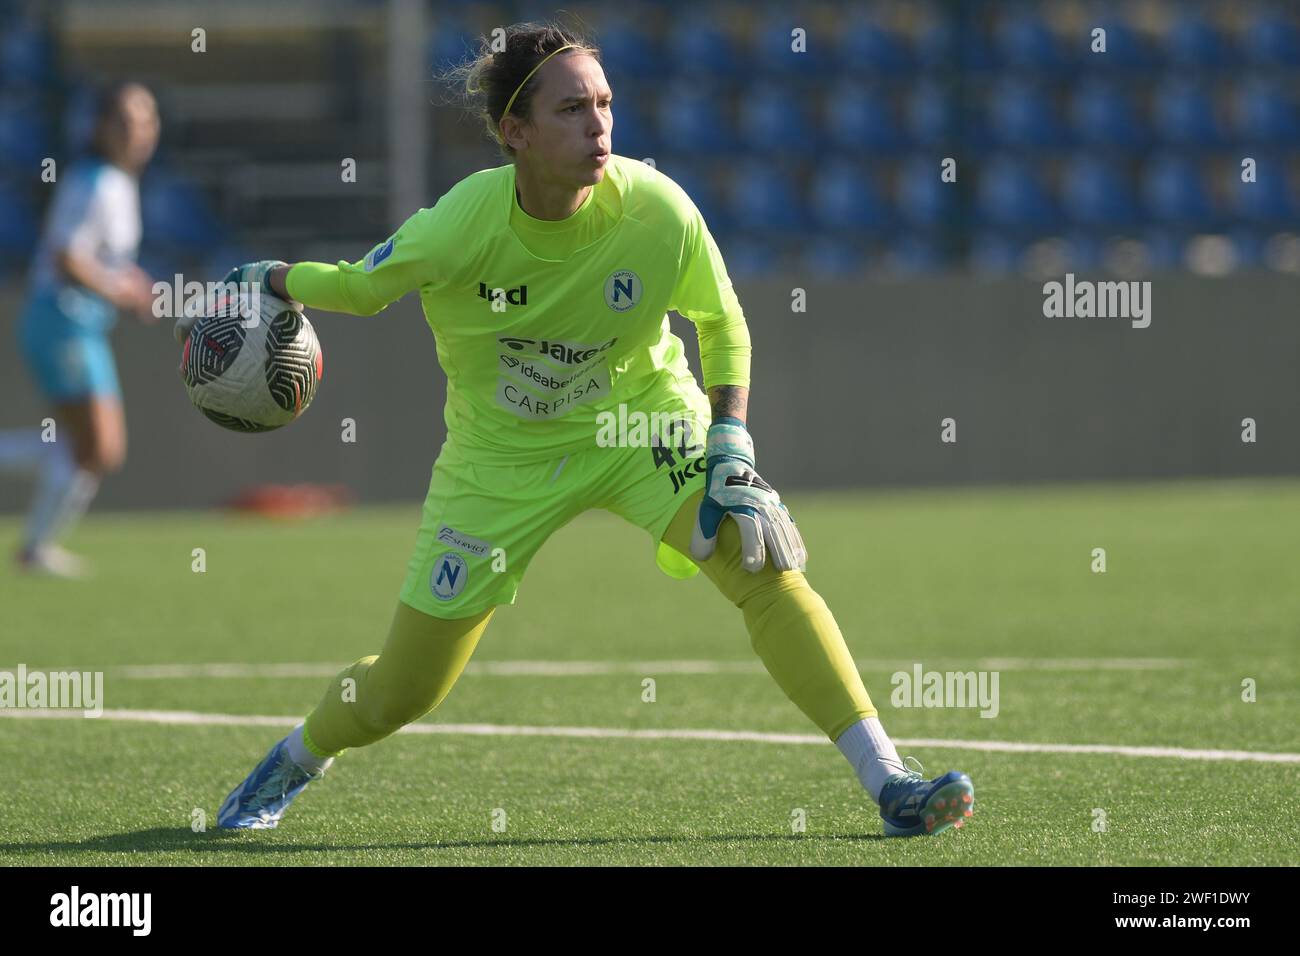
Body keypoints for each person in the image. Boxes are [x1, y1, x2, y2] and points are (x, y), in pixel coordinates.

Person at [204, 21, 975, 838]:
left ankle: (891, 782)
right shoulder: (459, 225)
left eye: (605, 104)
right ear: (516, 133)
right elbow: (360, 289)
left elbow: (724, 324)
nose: (599, 125)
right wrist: (269, 277)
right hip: (497, 461)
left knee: (762, 561)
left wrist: (731, 447)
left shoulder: (656, 208)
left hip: (640, 423)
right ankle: (296, 757)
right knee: (405, 690)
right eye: (572, 109)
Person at [0, 80, 159, 577]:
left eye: (148, 120)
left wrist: (128, 283)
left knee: (87, 449)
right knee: (99, 447)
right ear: (102, 128)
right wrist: (118, 291)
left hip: (75, 322)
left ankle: (35, 550)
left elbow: (97, 258)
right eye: (128, 122)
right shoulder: (96, 181)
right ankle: (36, 548)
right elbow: (67, 257)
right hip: (62, 319)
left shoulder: (116, 182)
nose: (140, 132)